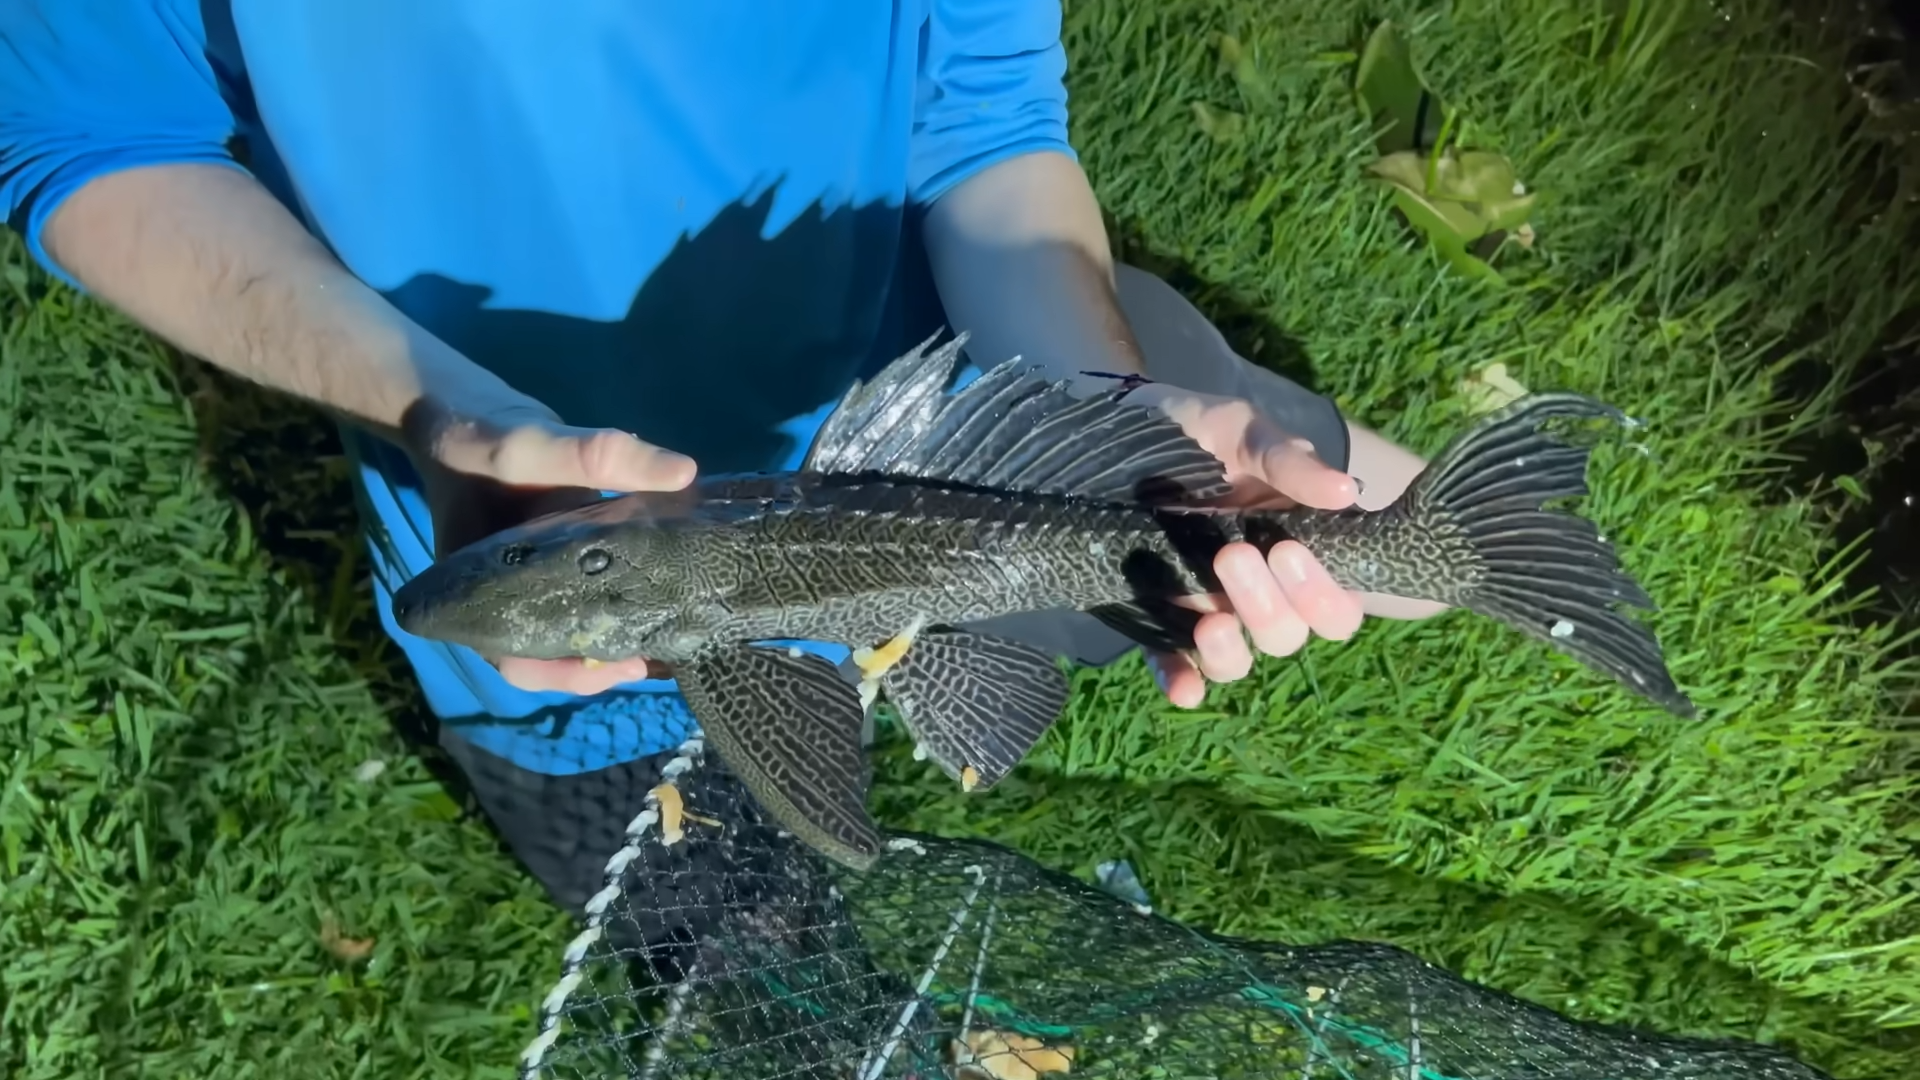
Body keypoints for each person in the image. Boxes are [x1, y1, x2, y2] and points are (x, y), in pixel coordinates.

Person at [0, 1, 1445, 925]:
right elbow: (91, 137)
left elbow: (984, 119)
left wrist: (1096, 402)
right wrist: (431, 409)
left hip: (959, 388)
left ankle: (1442, 542)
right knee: (703, 902)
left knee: (1390, 541)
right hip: (494, 487)